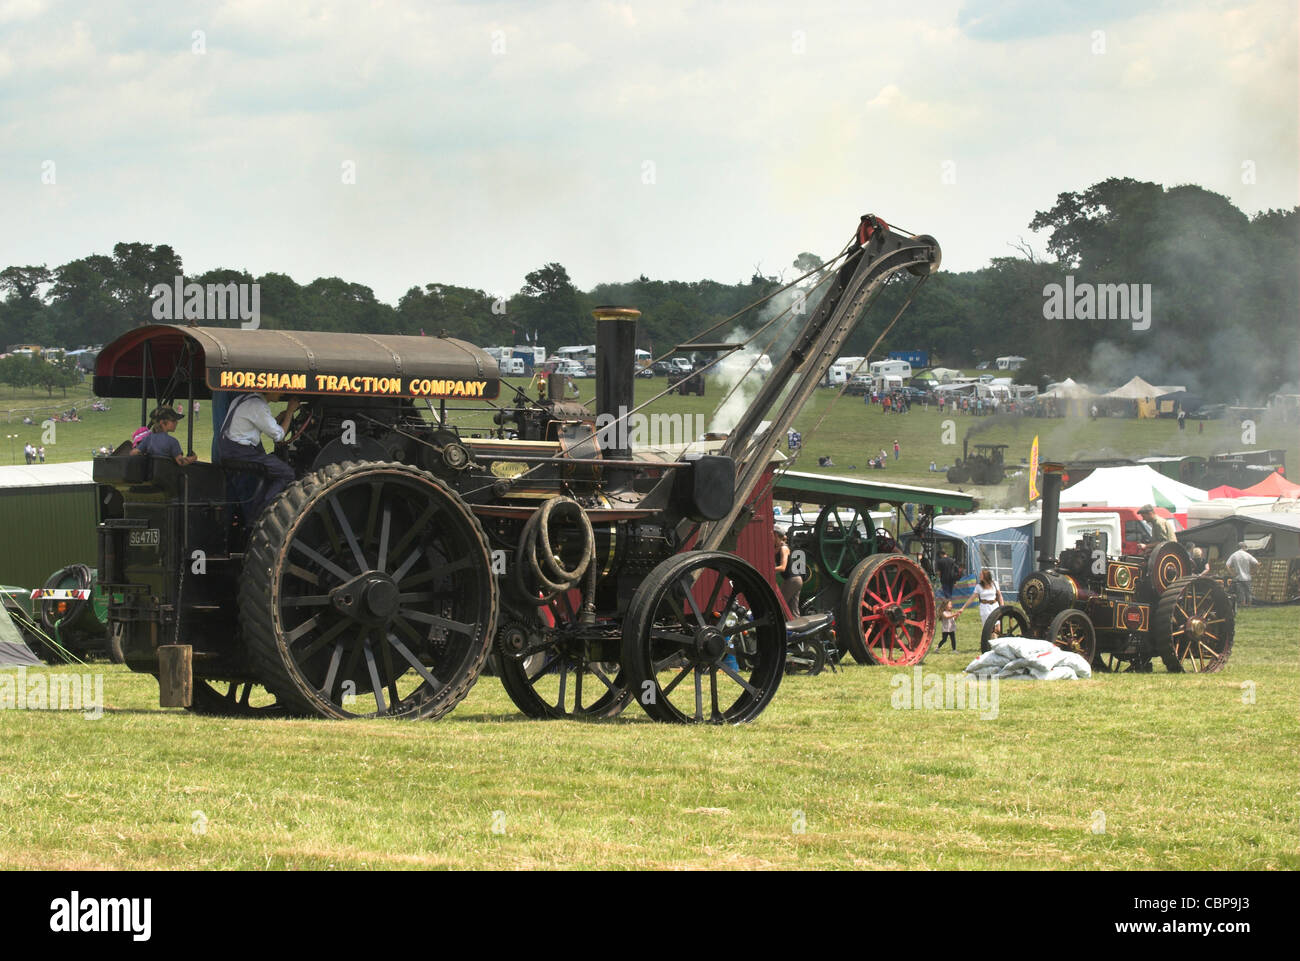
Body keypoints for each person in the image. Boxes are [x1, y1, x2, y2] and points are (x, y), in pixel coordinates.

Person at [219, 391, 298, 517]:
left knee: (272, 465)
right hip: (241, 453)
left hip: (228, 451)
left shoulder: (243, 398)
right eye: (278, 389)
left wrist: (279, 417)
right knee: (287, 473)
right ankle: (262, 514)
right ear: (268, 390)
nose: (282, 393)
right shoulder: (258, 405)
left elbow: (256, 424)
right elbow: (279, 436)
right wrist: (290, 412)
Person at [133, 406, 198, 466]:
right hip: (168, 474)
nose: (176, 422)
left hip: (150, 473)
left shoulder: (148, 438)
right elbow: (181, 462)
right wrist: (193, 458)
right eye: (173, 420)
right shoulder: (173, 442)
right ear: (162, 422)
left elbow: (134, 453)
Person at [960, 569, 1004, 637]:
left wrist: (1002, 606)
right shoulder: (979, 586)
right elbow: (972, 598)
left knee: (998, 628)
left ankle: (996, 638)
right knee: (988, 628)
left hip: (994, 606)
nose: (979, 576)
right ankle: (990, 641)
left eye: (981, 575)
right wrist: (963, 608)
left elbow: (999, 595)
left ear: (985, 576)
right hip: (984, 608)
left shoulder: (995, 584)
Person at [773, 529, 803, 613]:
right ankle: (796, 621)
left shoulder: (784, 548)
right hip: (792, 579)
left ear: (776, 535)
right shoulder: (777, 548)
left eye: (771, 535)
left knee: (779, 604)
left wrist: (768, 569)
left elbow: (783, 567)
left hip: (792, 579)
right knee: (792, 609)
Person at [1224, 542, 1260, 608]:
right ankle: (1249, 605)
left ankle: (1242, 605)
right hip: (1247, 577)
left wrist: (1232, 573)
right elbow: (1257, 564)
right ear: (1244, 547)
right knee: (1248, 592)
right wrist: (1254, 571)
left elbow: (1227, 565)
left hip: (1238, 577)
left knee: (1241, 593)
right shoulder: (1247, 555)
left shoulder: (1234, 555)